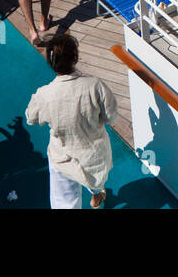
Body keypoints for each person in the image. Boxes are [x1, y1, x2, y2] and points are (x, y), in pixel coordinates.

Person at [26, 33, 118, 209]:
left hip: (63, 158)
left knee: (65, 204)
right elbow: (110, 116)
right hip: (94, 155)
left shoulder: (44, 94)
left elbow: (31, 117)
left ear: (51, 63)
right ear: (75, 57)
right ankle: (96, 193)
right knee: (93, 177)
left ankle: (96, 192)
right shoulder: (95, 85)